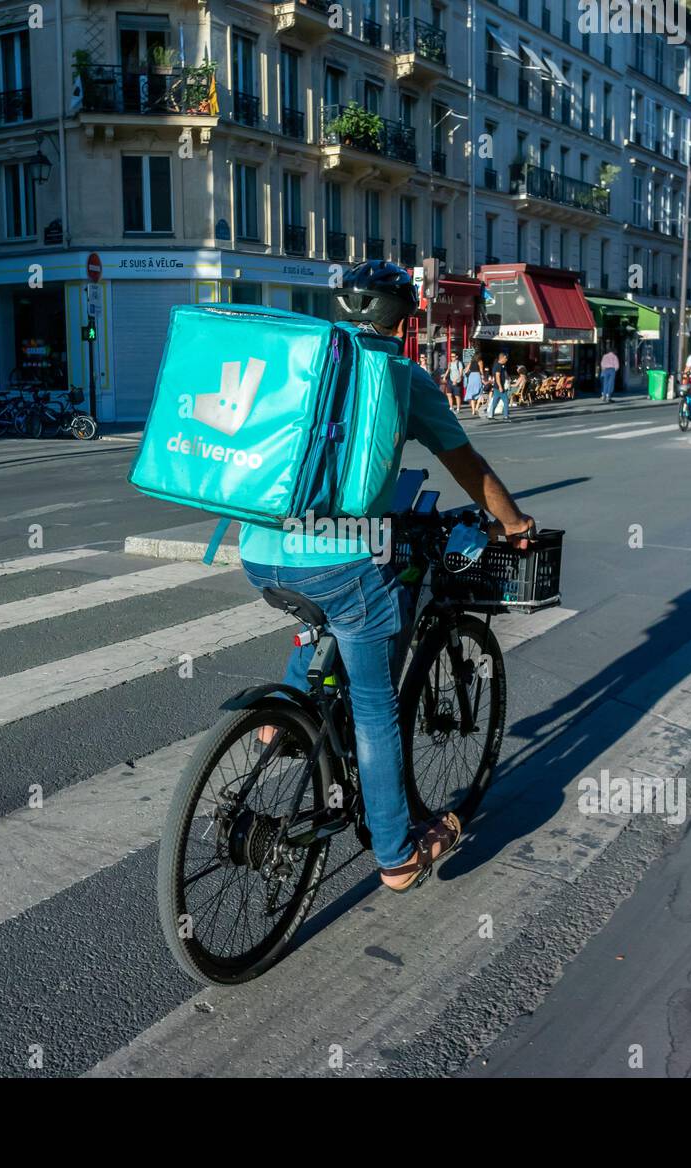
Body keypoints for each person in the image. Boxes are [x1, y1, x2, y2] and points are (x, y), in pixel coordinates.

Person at [240, 260, 535, 893]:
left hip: (259, 548)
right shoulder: (401, 376)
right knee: (374, 699)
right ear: (400, 321)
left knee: (326, 605)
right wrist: (512, 522)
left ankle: (282, 717)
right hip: (338, 559)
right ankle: (397, 855)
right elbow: (466, 462)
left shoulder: (306, 363)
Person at [486, 351, 512, 421]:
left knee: (495, 401)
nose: (507, 360)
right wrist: (500, 386)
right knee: (506, 401)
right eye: (506, 358)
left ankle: (490, 415)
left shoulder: (501, 366)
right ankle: (506, 416)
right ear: (503, 357)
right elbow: (497, 377)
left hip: (497, 387)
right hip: (499, 387)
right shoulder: (498, 366)